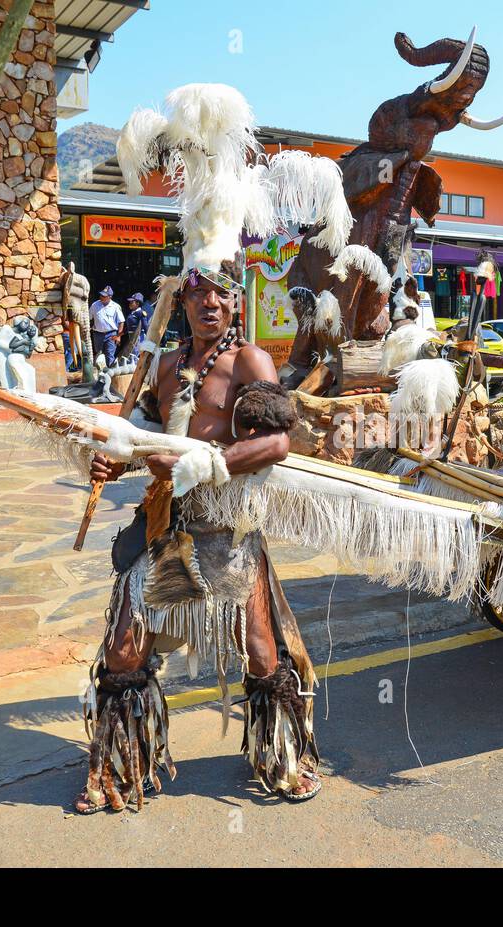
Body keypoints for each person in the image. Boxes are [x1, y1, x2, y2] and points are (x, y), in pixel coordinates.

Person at [76, 263, 321, 812]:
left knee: (261, 656)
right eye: (198, 294)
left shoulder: (249, 360)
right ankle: (120, 769)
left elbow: (277, 443)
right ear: (182, 302)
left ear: (235, 302)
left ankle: (284, 760)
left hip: (227, 534)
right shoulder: (164, 366)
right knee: (122, 653)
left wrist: (203, 465)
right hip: (168, 531)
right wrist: (111, 461)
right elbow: (137, 441)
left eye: (220, 294)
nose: (209, 304)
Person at [89, 285, 124, 368]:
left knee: (109, 355)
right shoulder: (95, 305)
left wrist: (119, 336)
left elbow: (121, 322)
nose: (101, 297)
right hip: (97, 334)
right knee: (99, 355)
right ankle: (99, 376)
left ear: (110, 297)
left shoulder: (116, 306)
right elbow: (89, 318)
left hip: (111, 334)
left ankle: (110, 376)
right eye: (101, 295)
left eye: (104, 296)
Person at [116, 292, 150, 361]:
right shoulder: (132, 313)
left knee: (135, 354)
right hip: (131, 336)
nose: (130, 303)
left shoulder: (141, 313)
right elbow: (128, 328)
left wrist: (149, 338)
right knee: (132, 353)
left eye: (132, 302)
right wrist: (119, 335)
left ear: (137, 303)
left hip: (139, 337)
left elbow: (145, 326)